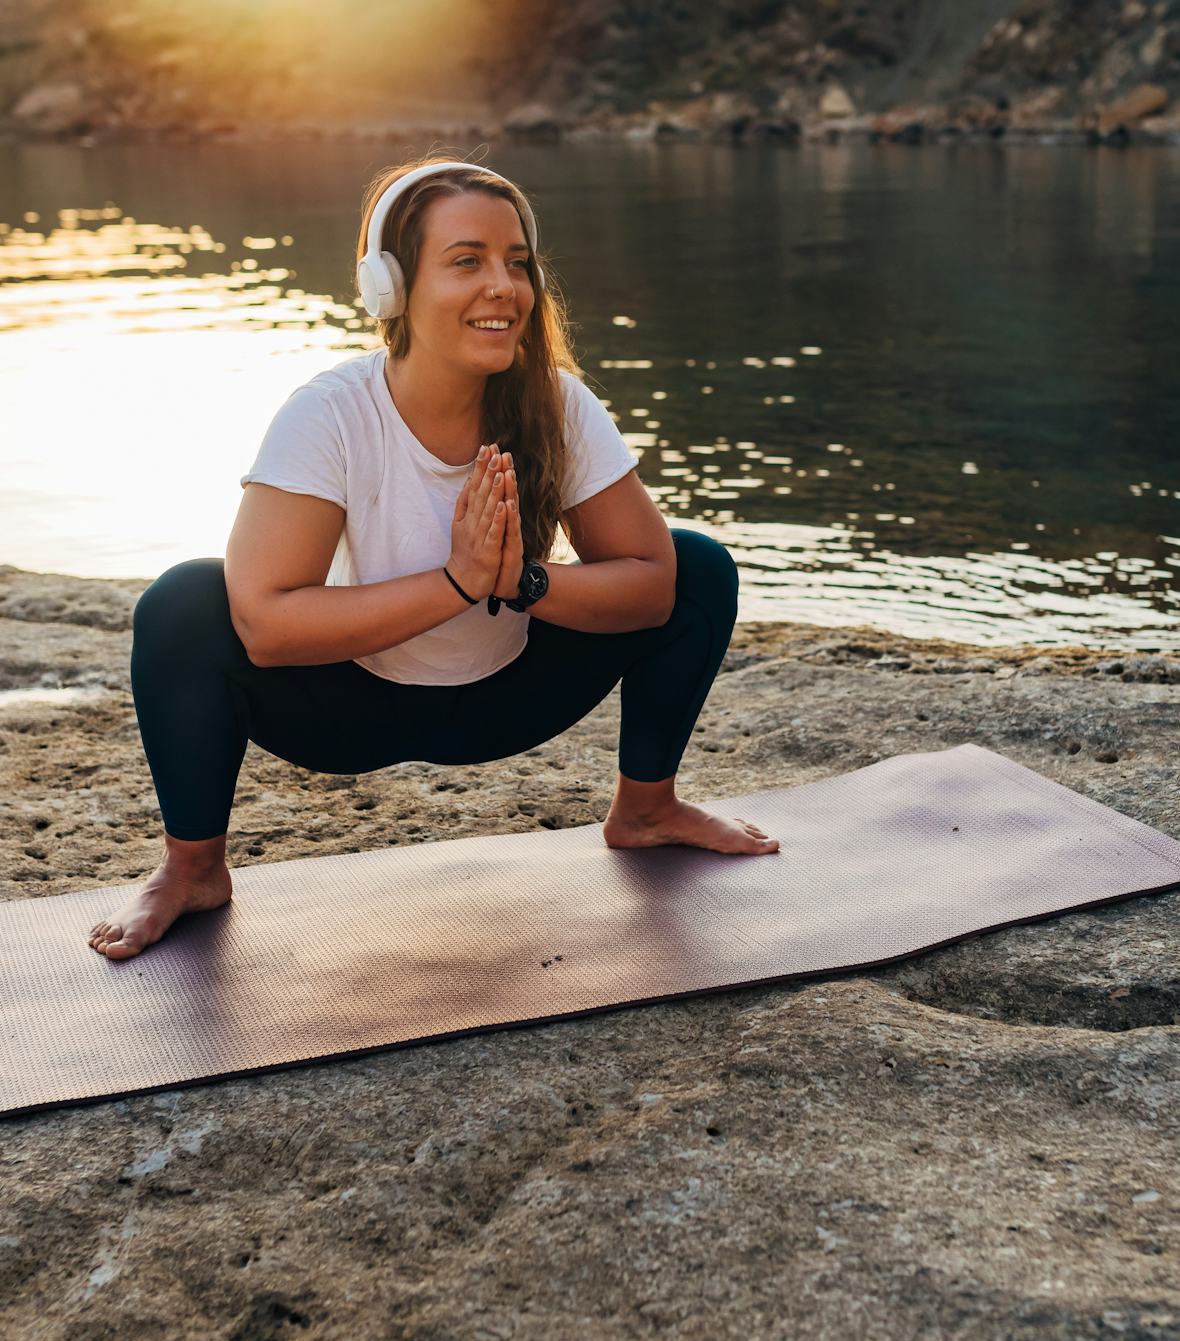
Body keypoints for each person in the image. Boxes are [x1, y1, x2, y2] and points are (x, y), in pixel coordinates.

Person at [86, 155, 778, 961]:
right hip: (351, 705)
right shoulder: (330, 415)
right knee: (183, 605)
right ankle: (194, 868)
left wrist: (521, 582)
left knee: (698, 566)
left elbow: (655, 589)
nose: (503, 286)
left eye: (516, 263)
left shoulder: (558, 404)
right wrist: (454, 583)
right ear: (391, 290)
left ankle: (648, 810)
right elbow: (265, 624)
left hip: (510, 697)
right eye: (466, 262)